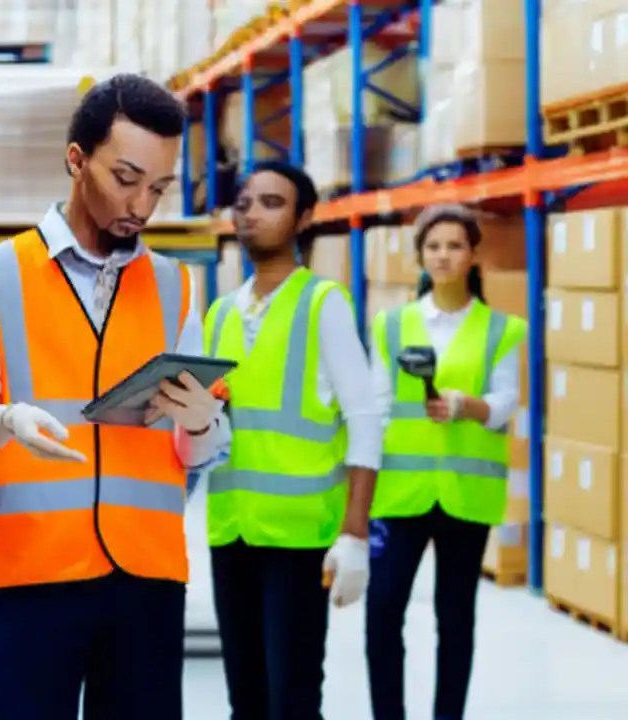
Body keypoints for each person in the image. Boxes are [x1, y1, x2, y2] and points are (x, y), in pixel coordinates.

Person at [0, 73, 231, 720]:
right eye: (126, 179)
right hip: (32, 573)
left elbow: (200, 451)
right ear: (77, 160)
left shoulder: (176, 288)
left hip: (147, 579)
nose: (141, 204)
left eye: (157, 187)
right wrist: (7, 418)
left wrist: (206, 426)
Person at [201, 160, 382, 720]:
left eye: (272, 203)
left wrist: (355, 532)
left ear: (304, 219)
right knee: (246, 700)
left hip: (301, 537)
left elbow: (366, 415)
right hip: (230, 530)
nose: (252, 213)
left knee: (293, 699)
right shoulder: (218, 314)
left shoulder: (321, 303)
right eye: (246, 202)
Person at [365, 204, 526, 720]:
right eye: (433, 246)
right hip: (400, 493)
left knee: (455, 618)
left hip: (465, 494)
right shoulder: (392, 326)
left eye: (455, 245)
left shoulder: (502, 330)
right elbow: (378, 404)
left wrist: (464, 405)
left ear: (473, 255)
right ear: (419, 256)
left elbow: (504, 406)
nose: (443, 255)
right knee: (383, 609)